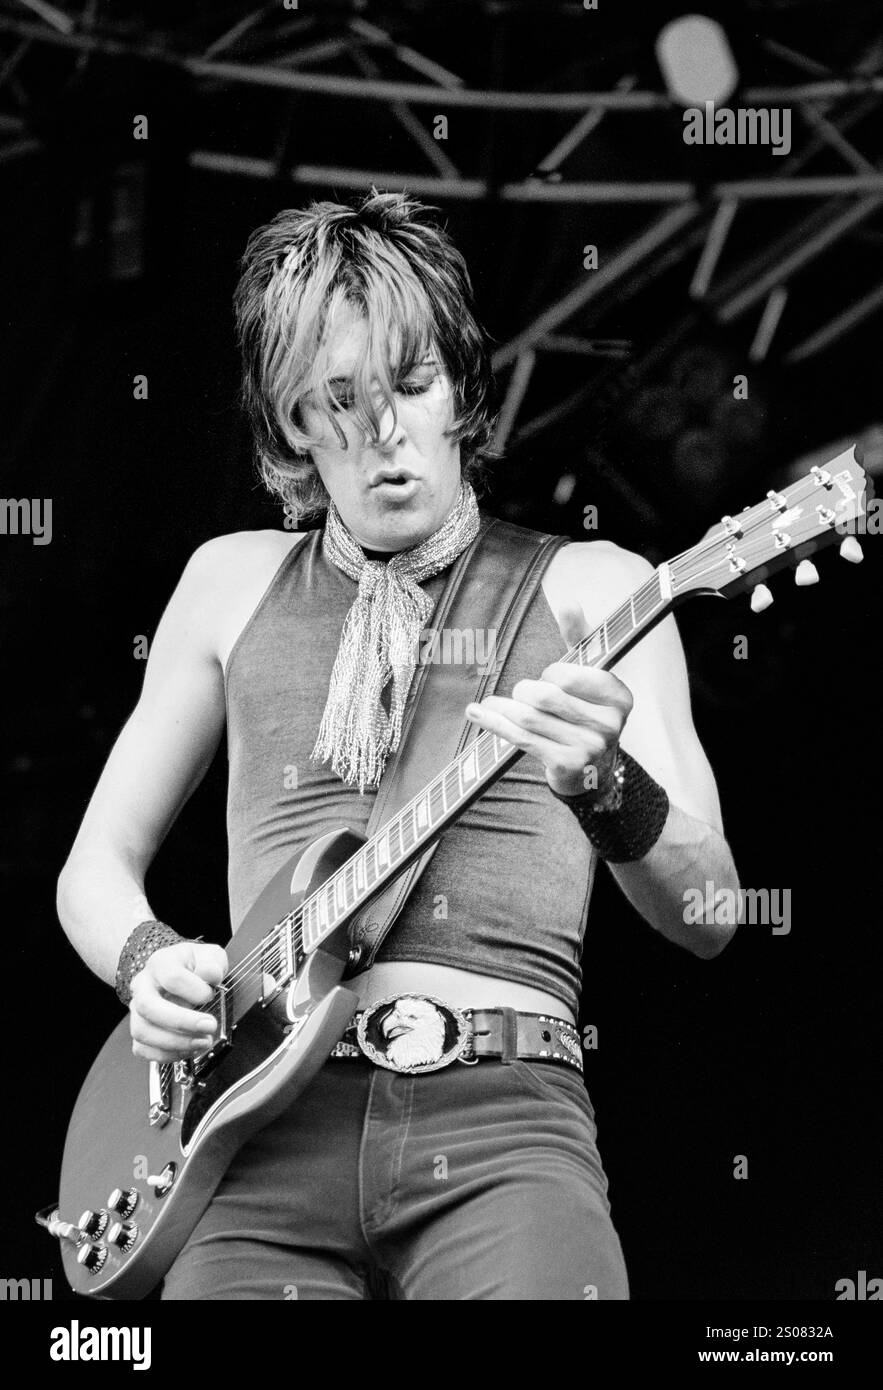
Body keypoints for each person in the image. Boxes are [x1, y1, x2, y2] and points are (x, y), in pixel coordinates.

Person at [56, 190, 740, 1300]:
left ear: (462, 389)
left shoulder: (595, 591)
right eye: (339, 403)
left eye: (412, 388)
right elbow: (92, 869)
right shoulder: (226, 583)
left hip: (502, 1121)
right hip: (254, 1138)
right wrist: (147, 963)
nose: (385, 437)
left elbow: (711, 909)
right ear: (287, 424)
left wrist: (605, 786)